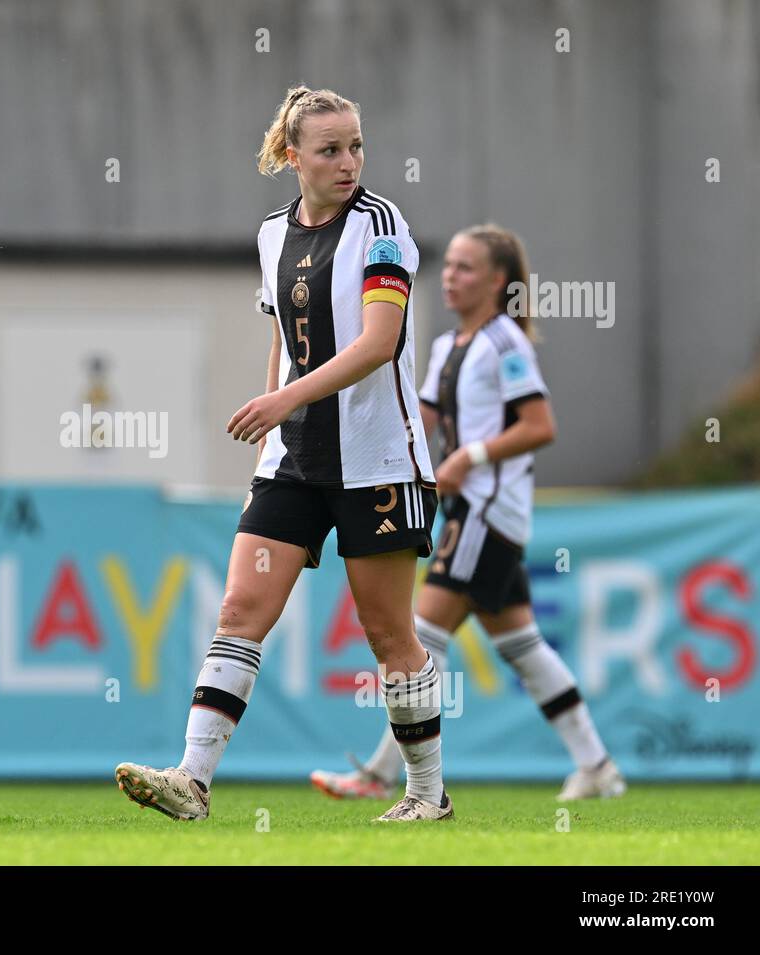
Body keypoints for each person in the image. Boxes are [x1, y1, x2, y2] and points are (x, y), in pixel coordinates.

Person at [116, 85, 452, 823]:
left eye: (356, 146)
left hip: (377, 463)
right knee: (239, 609)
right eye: (330, 149)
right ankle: (192, 781)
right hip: (292, 462)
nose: (349, 162)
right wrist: (275, 428)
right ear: (293, 156)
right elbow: (283, 342)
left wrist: (282, 401)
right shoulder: (273, 233)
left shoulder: (382, 226)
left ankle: (427, 794)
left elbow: (379, 343)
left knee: (388, 633)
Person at [310, 224, 625, 803]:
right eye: (449, 265)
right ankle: (598, 766)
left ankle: (380, 776)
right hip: (469, 509)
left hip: (485, 510)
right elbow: (418, 418)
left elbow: (540, 426)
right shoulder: (445, 346)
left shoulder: (505, 343)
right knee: (523, 646)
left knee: (419, 634)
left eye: (465, 267)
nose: (450, 277)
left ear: (497, 280)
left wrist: (468, 458)